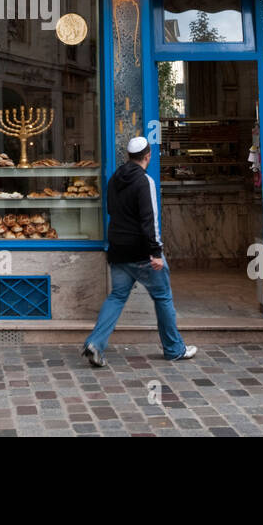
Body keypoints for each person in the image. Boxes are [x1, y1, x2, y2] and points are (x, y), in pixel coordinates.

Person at [82, 136, 196, 367]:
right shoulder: (145, 182)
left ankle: (95, 343)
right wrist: (155, 253)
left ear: (128, 156)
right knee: (163, 296)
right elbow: (149, 220)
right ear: (148, 156)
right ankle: (174, 348)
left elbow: (112, 210)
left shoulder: (114, 179)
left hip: (118, 248)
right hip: (142, 251)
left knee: (116, 296)